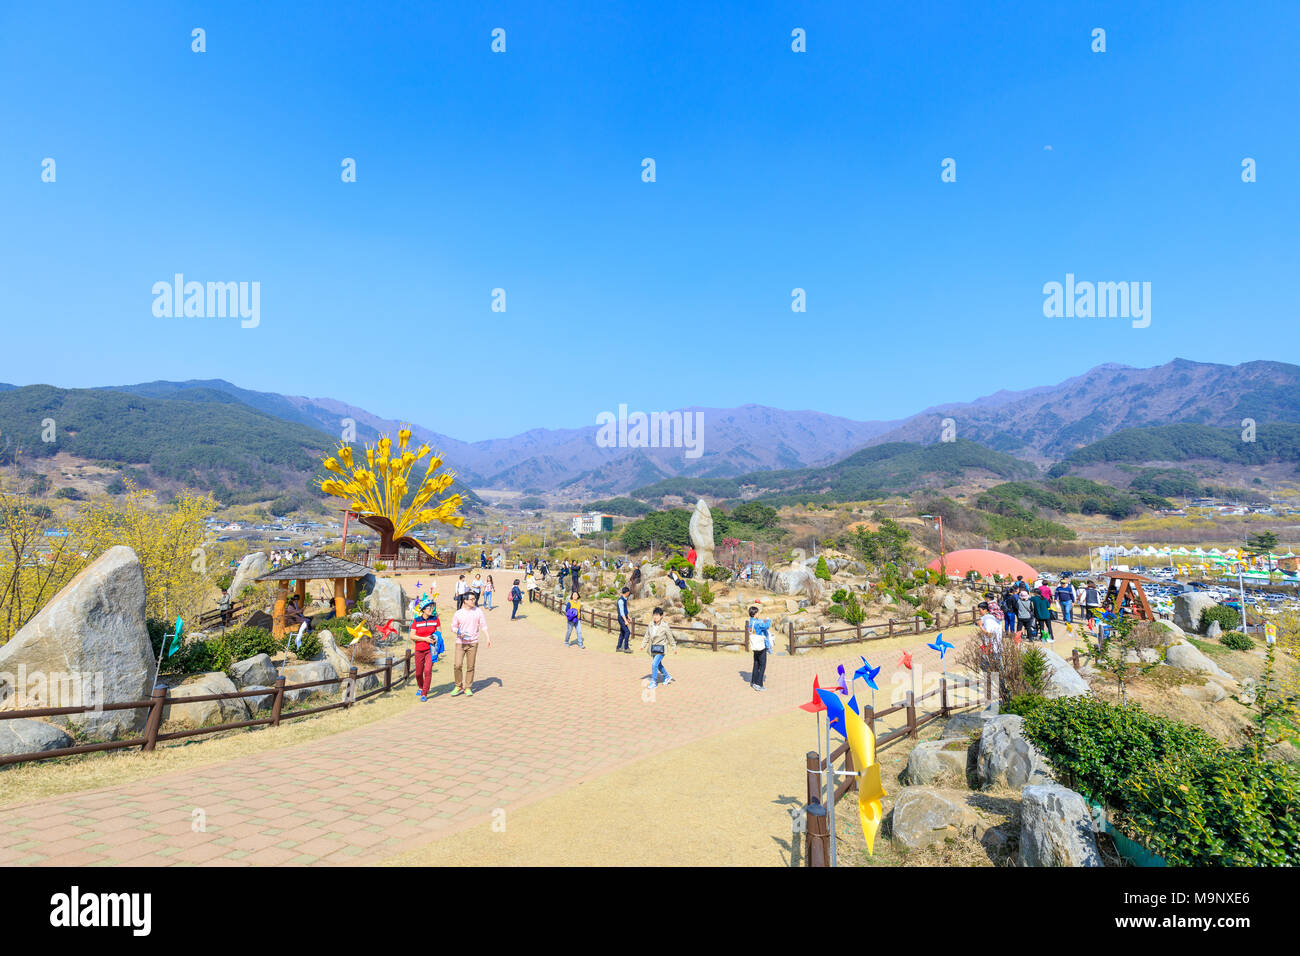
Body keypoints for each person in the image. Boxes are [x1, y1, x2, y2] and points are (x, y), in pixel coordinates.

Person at [449, 590, 490, 697]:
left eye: (474, 599)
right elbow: (453, 627)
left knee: (470, 666)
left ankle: (468, 687)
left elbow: (483, 625)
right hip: (460, 643)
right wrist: (458, 632)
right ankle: (458, 685)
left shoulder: (478, 611)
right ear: (465, 600)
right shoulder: (458, 613)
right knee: (457, 665)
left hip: (473, 643)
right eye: (471, 599)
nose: (474, 601)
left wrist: (487, 638)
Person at [640, 607, 677, 688]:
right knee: (658, 665)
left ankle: (654, 682)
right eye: (654, 615)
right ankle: (667, 677)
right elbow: (647, 635)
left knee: (654, 664)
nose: (655, 617)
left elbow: (670, 637)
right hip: (653, 648)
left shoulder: (665, 626)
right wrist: (643, 645)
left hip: (661, 649)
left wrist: (674, 647)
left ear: (661, 616)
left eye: (657, 615)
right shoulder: (650, 624)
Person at [410, 600, 440, 701]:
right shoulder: (416, 621)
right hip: (419, 650)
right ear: (423, 610)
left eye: (432, 607)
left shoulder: (436, 619)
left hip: (431, 650)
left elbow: (439, 633)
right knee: (418, 673)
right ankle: (420, 686)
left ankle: (424, 693)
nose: (432, 609)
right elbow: (412, 636)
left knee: (427, 671)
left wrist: (436, 638)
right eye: (429, 608)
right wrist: (425, 639)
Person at [746, 605, 771, 691]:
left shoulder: (751, 622)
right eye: (758, 612)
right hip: (760, 645)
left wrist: (763, 620)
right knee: (762, 664)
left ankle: (753, 681)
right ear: (755, 614)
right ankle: (758, 684)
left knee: (756, 663)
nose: (759, 613)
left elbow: (759, 625)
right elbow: (766, 626)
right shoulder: (758, 622)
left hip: (754, 645)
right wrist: (768, 620)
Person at [615, 586, 632, 653]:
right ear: (627, 593)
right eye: (629, 592)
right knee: (627, 632)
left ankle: (618, 647)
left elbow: (625, 610)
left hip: (623, 617)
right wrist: (625, 621)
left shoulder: (625, 599)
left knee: (622, 632)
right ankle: (626, 647)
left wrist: (628, 617)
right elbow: (622, 612)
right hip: (621, 618)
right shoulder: (621, 601)